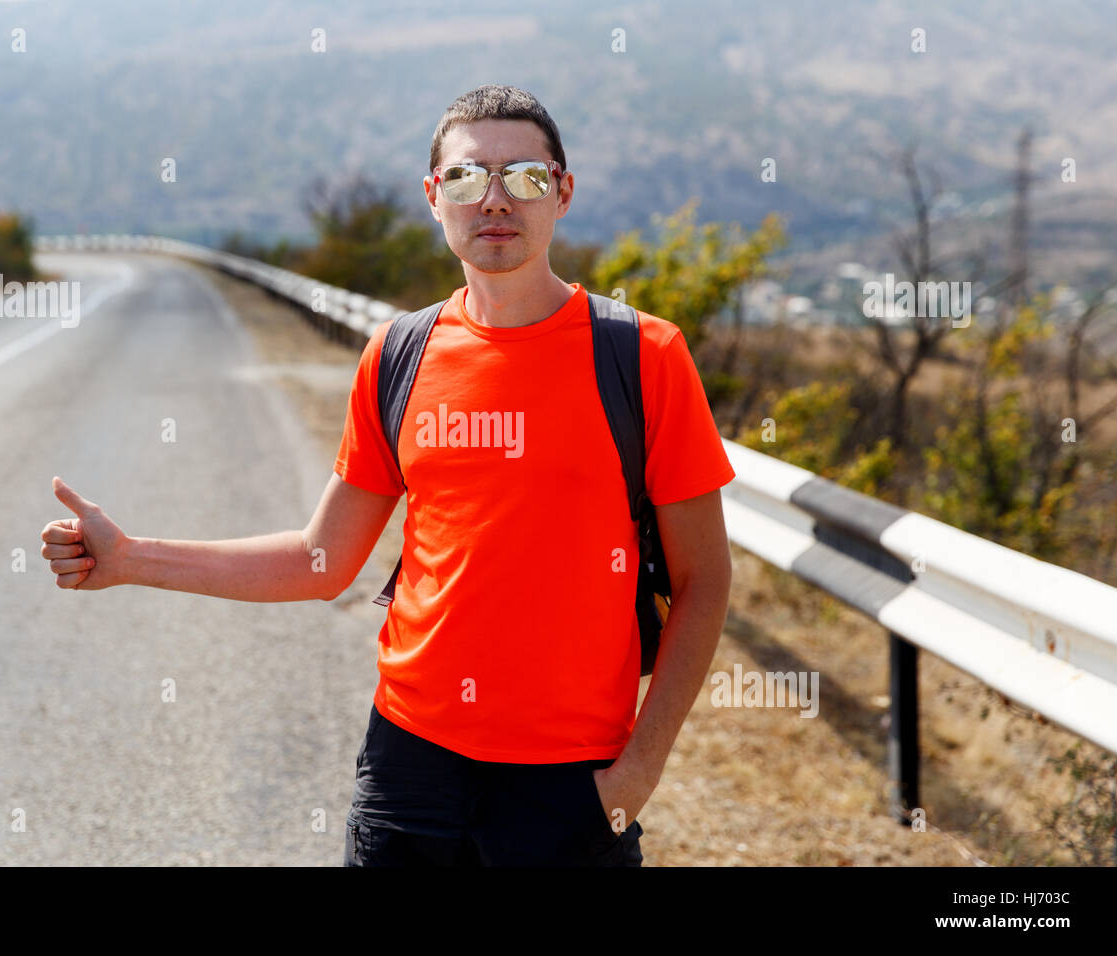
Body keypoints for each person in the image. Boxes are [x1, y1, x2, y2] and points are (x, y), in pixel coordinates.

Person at [40, 84, 735, 867]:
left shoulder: (643, 357)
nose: (496, 199)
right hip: (410, 769)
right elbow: (320, 560)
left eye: (527, 177)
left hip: (572, 782)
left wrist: (634, 779)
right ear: (434, 196)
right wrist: (131, 558)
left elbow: (704, 581)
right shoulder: (399, 354)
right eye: (469, 178)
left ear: (563, 193)